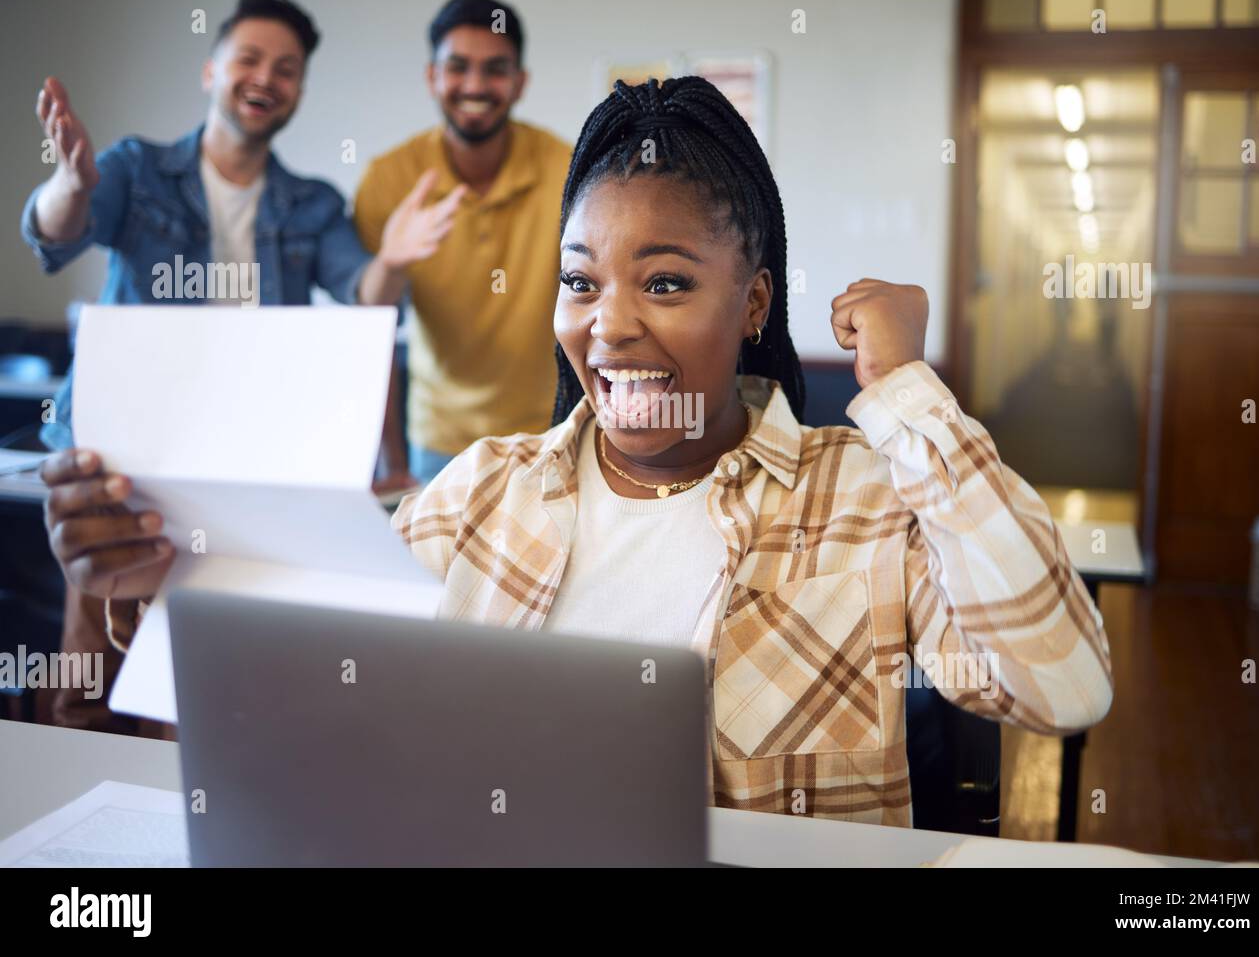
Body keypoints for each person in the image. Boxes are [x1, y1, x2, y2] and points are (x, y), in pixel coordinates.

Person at [42, 77, 1113, 825]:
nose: (608, 325)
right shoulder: (478, 495)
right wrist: (122, 589)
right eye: (579, 279)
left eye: (663, 282)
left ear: (752, 305)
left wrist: (907, 395)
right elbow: (281, 711)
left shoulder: (863, 500)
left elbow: (1063, 681)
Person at [24, 0, 453, 731]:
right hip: (118, 465)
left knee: (202, 690)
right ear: (211, 69)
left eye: (287, 69)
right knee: (86, 688)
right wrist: (68, 183)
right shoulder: (136, 169)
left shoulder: (310, 202)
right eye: (249, 59)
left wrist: (393, 257)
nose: (266, 78)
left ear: (298, 92)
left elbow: (364, 293)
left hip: (245, 472)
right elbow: (57, 233)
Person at [353, 0, 573, 482]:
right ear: (432, 77)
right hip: (436, 440)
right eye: (458, 67)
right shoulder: (389, 179)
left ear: (519, 83)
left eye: (495, 69)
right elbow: (372, 325)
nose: (475, 85)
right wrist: (392, 463)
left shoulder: (568, 168)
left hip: (550, 433)